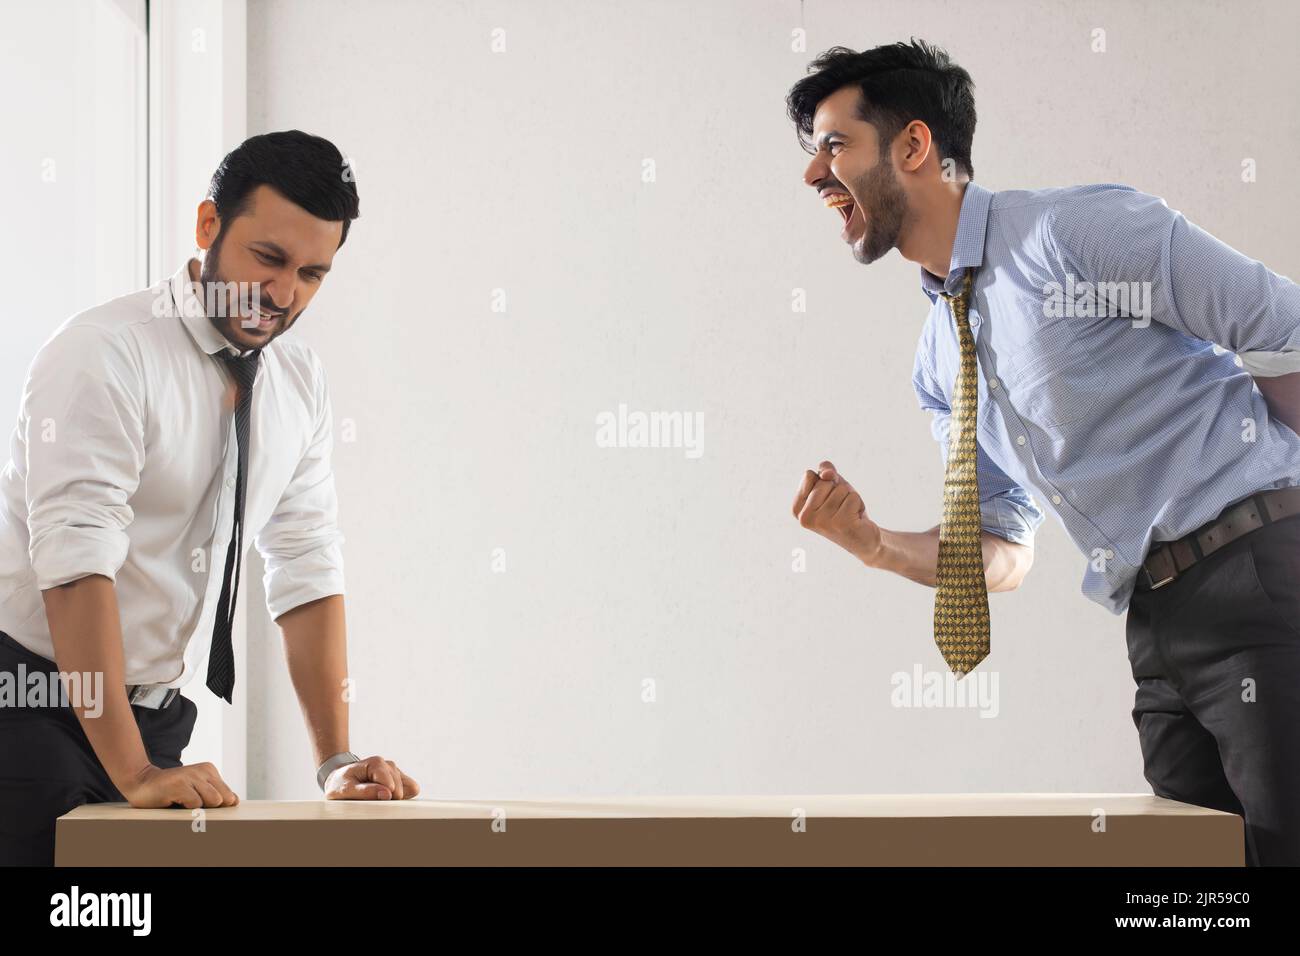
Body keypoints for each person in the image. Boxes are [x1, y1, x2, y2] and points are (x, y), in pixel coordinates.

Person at [785, 40, 1300, 866]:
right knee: (1195, 893)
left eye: (834, 145)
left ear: (914, 146)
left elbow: (1283, 327)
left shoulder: (1074, 232)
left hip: (1260, 575)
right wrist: (872, 544)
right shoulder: (935, 365)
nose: (814, 175)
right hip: (1155, 628)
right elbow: (1005, 552)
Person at [0, 130, 418, 867]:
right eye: (269, 258)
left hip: (154, 721)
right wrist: (133, 772)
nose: (285, 295)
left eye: (314, 273)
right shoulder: (104, 353)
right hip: (24, 707)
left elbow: (307, 566)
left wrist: (335, 763)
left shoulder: (298, 383)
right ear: (207, 227)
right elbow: (75, 566)